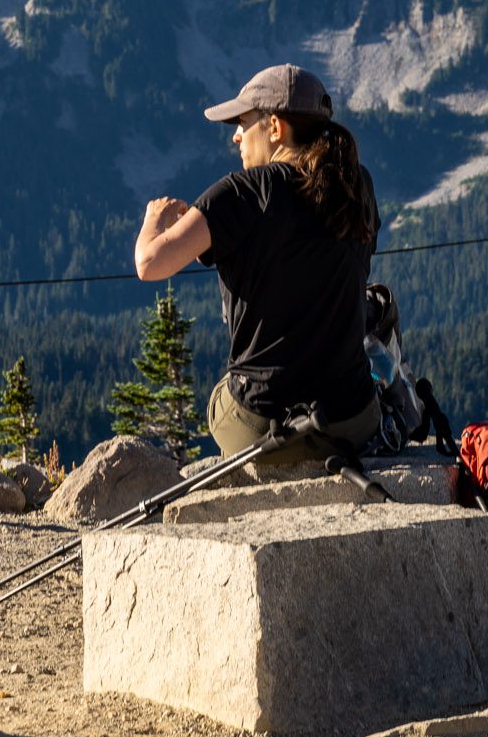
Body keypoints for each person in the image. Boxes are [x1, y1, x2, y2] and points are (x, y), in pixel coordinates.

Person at [133, 63, 380, 461]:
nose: (235, 136)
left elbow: (149, 264)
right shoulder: (356, 186)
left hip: (264, 427)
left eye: (243, 122)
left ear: (276, 127)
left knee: (219, 399)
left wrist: (152, 219)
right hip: (350, 421)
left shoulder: (242, 193)